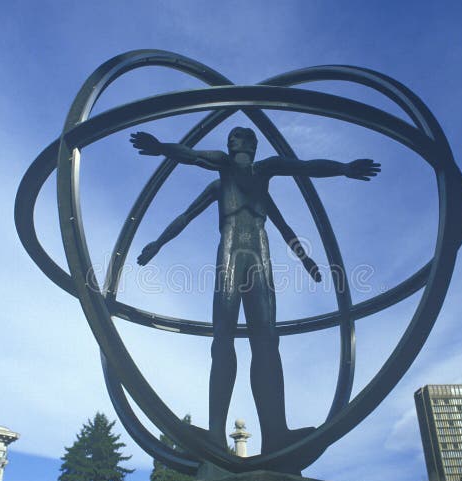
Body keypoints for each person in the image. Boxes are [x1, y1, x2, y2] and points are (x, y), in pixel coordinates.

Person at [131, 127, 380, 453]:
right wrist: (158, 242)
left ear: (253, 144)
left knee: (266, 339)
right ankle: (216, 432)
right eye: (233, 137)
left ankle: (275, 431)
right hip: (231, 253)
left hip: (259, 257)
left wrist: (344, 171)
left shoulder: (266, 173)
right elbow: (188, 188)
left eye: (242, 137)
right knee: (223, 335)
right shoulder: (222, 174)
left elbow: (301, 174)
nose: (236, 141)